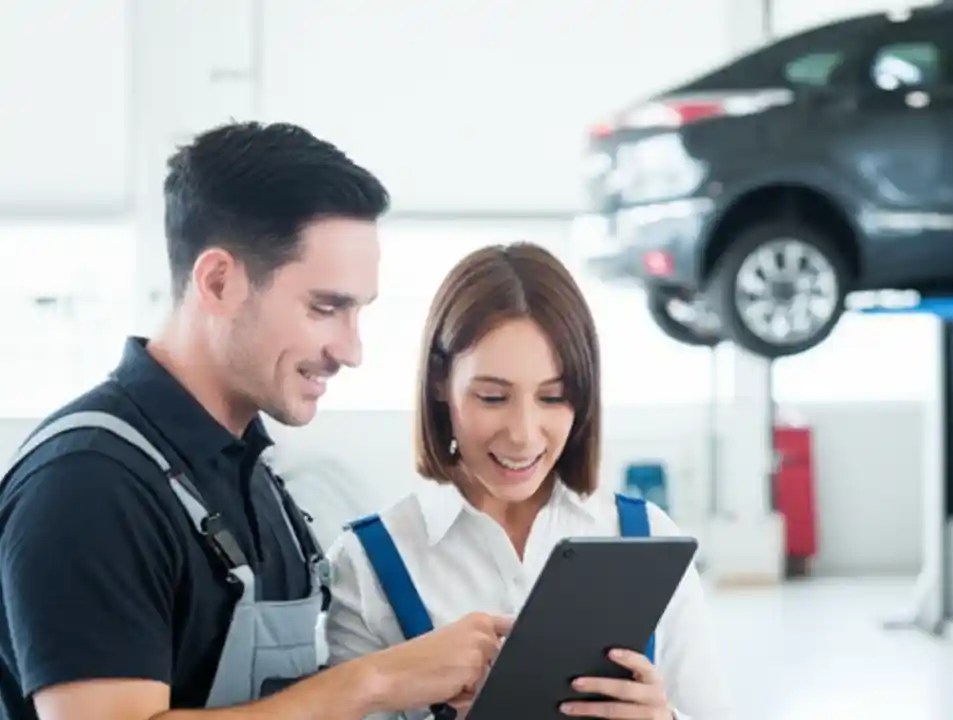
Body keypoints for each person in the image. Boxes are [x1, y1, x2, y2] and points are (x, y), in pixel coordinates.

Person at [0, 121, 512, 720]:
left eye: (359, 312)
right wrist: (372, 681)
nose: (351, 350)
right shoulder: (89, 484)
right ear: (219, 282)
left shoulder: (255, 477)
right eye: (326, 308)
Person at [324, 243, 733, 720]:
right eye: (493, 397)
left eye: (553, 397)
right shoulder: (367, 566)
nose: (522, 435)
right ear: (439, 381)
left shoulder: (647, 537)